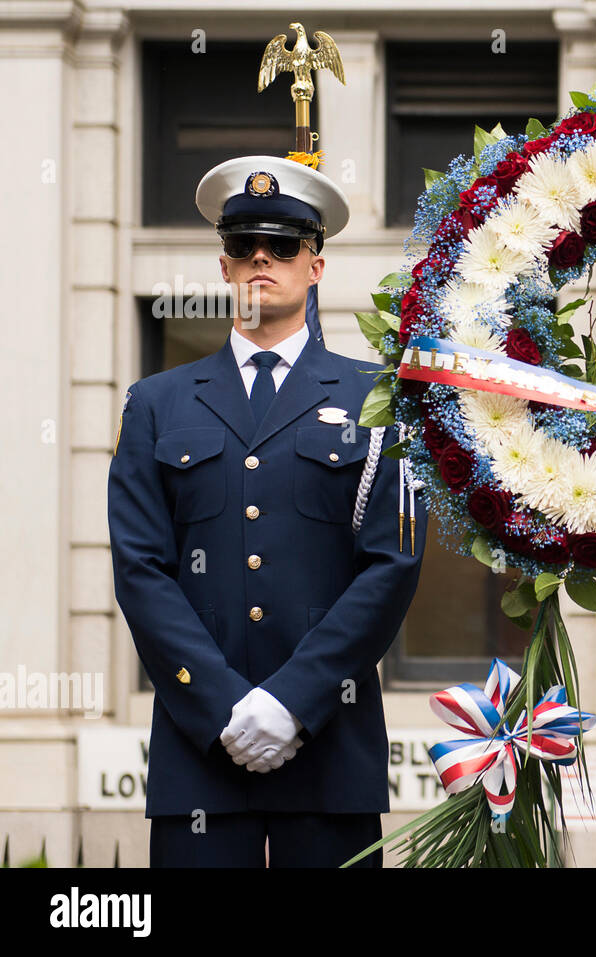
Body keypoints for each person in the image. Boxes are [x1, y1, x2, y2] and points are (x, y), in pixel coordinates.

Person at [108, 155, 426, 867]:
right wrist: (224, 705)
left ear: (316, 266)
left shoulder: (380, 403)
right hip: (199, 761)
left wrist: (290, 702)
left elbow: (392, 566)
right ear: (222, 267)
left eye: (282, 246)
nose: (261, 258)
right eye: (243, 244)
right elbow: (141, 570)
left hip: (330, 756)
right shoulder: (154, 405)